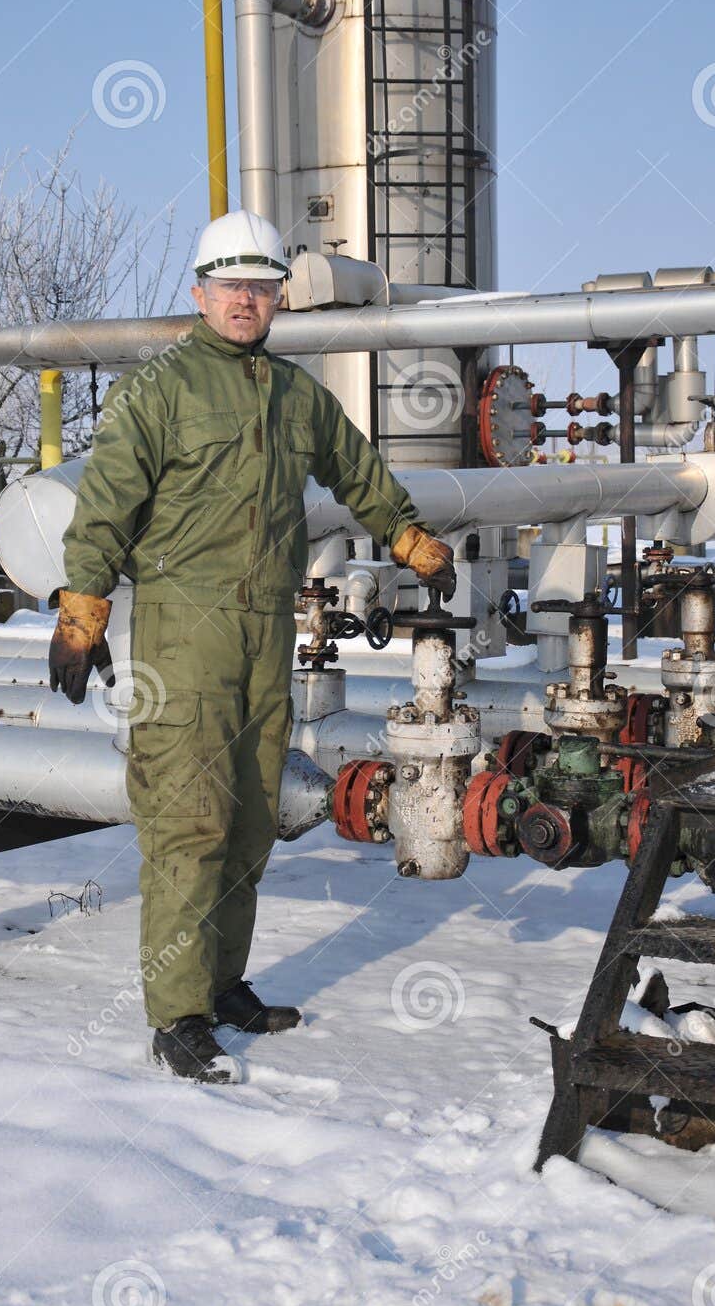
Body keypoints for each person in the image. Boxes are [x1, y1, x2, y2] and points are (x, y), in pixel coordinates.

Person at [49, 210, 454, 1083]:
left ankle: (221, 982)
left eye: (261, 287)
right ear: (200, 294)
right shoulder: (157, 391)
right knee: (188, 821)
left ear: (278, 299)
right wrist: (82, 607)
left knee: (248, 820)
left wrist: (407, 536)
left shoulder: (296, 396)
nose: (245, 300)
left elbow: (356, 471)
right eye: (230, 285)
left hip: (266, 631)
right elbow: (106, 501)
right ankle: (177, 1014)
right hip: (182, 633)